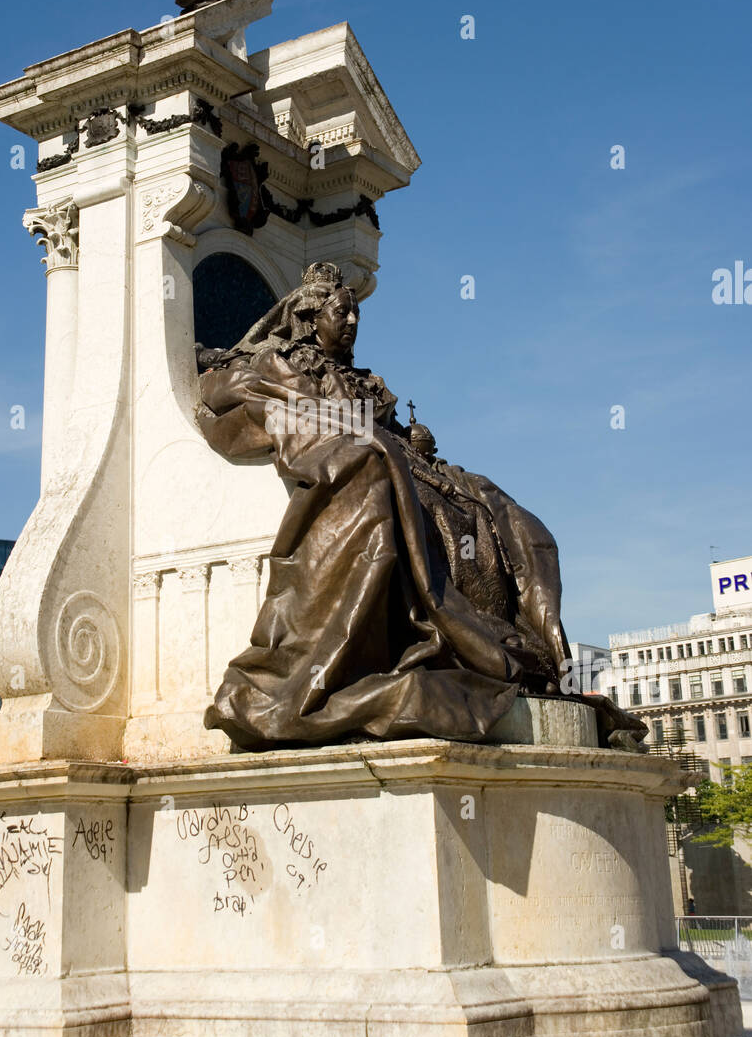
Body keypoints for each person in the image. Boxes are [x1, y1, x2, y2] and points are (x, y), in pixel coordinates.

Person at [197, 262, 646, 750]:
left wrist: (408, 438)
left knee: (501, 511)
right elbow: (241, 392)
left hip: (408, 464)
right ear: (309, 318)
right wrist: (356, 430)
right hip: (364, 458)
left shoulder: (364, 379)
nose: (351, 322)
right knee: (381, 474)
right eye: (341, 313)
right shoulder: (285, 362)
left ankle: (517, 645)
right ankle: (430, 641)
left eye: (355, 315)